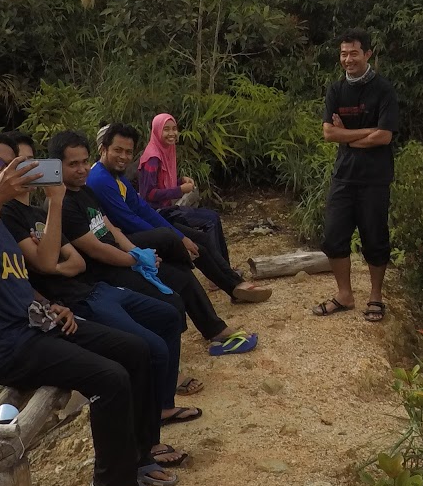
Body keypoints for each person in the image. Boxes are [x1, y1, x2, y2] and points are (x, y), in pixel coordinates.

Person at [0, 132, 178, 486]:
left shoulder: (1, 227)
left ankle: (140, 456)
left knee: (136, 350)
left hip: (41, 323)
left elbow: (20, 281)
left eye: (13, 164)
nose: (7, 172)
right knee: (110, 376)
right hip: (10, 346)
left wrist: (51, 303)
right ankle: (111, 480)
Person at [0, 133, 198, 434]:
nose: (81, 169)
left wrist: (132, 255)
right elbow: (45, 263)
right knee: (147, 346)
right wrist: (58, 262)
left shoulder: (41, 212)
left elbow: (75, 259)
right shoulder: (12, 214)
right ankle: (147, 433)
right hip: (77, 302)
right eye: (16, 163)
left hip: (94, 289)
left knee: (169, 313)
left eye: (29, 162)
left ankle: (163, 405)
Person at [49, 130, 259, 359]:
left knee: (181, 275)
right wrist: (136, 258)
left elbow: (111, 227)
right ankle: (167, 367)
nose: (81, 169)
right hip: (103, 270)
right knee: (171, 294)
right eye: (73, 164)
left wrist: (136, 252)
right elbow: (96, 249)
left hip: (122, 252)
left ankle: (216, 331)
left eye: (83, 162)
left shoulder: (86, 190)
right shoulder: (66, 202)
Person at [89, 122, 271, 306]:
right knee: (185, 246)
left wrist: (180, 236)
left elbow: (141, 208)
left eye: (128, 152)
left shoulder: (116, 176)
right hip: (121, 240)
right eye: (118, 150)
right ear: (103, 149)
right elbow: (128, 219)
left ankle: (235, 285)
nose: (124, 157)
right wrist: (176, 239)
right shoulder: (100, 180)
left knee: (198, 239)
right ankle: (233, 287)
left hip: (141, 227)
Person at [312, 28, 398, 323]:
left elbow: (384, 136)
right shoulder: (336, 90)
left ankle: (375, 295)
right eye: (343, 54)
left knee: (375, 238)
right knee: (334, 237)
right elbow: (328, 133)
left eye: (354, 53)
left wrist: (345, 136)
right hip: (344, 176)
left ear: (368, 54)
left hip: (375, 178)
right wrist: (361, 134)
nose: (348, 59)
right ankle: (345, 295)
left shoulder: (383, 89)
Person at [137, 113, 252, 284]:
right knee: (210, 221)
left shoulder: (163, 151)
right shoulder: (153, 158)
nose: (171, 133)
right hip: (158, 213)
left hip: (166, 209)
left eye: (174, 129)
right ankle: (221, 274)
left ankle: (224, 269)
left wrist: (180, 181)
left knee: (212, 217)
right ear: (156, 132)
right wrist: (179, 190)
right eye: (166, 130)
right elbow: (149, 194)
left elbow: (161, 184)